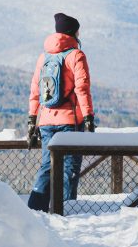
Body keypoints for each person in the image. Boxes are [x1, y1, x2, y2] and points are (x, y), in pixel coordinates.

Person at [26, 12, 96, 212]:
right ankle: (65, 210)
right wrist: (89, 117)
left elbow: (35, 90)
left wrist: (32, 120)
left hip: (46, 121)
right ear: (73, 32)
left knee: (47, 166)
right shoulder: (76, 55)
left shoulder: (44, 57)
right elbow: (82, 89)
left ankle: (34, 209)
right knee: (69, 169)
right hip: (70, 120)